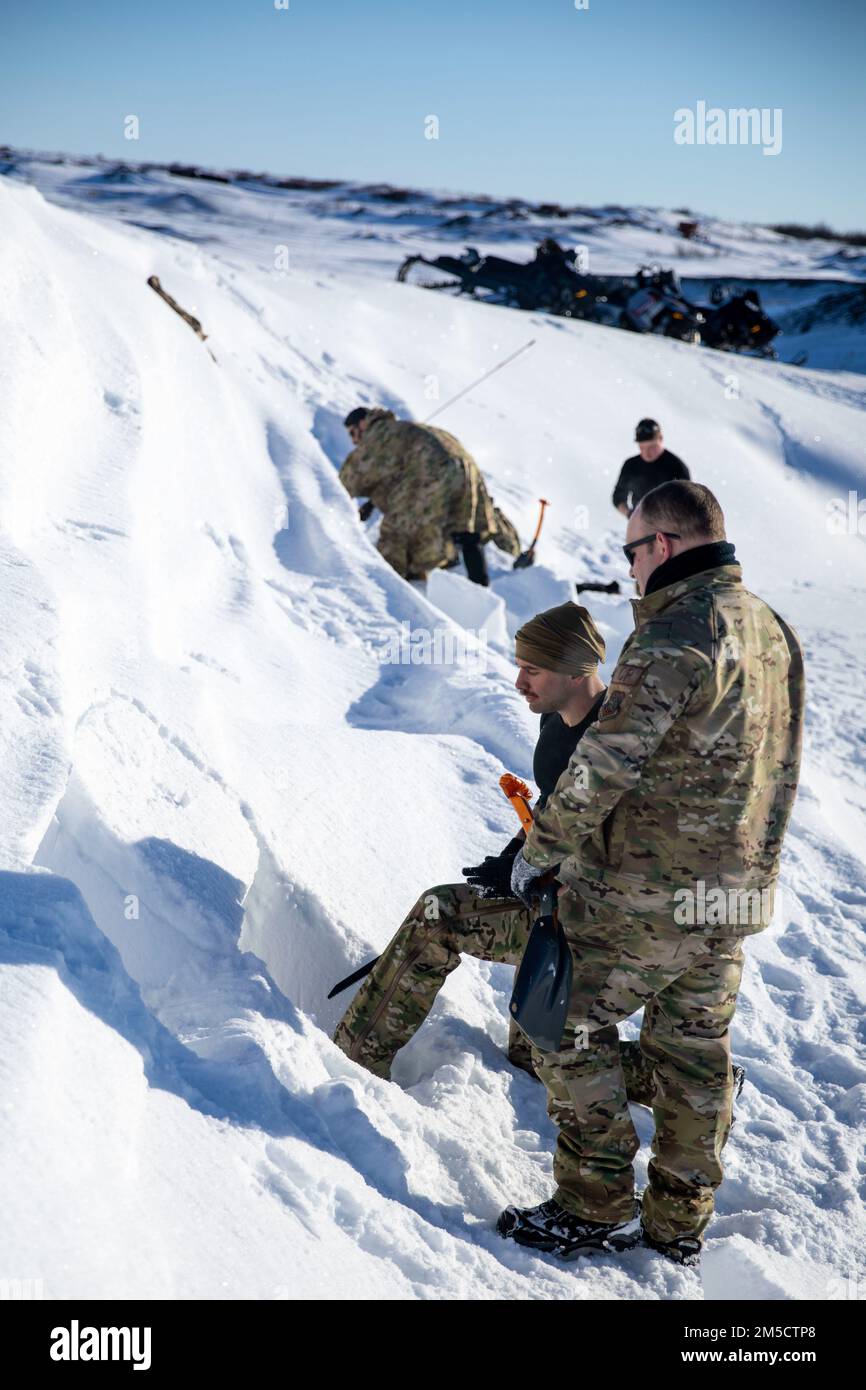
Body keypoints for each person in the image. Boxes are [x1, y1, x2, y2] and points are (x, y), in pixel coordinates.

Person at [501, 481, 804, 1266]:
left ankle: (594, 1202)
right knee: (694, 1057)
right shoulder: (773, 631)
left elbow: (606, 764)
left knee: (558, 1021)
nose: (630, 568)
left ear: (662, 547)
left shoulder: (675, 630)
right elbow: (782, 768)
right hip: (730, 898)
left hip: (645, 894)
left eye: (633, 551)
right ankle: (677, 1225)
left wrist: (540, 854)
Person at [333, 602, 663, 1101]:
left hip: (601, 921)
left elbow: (621, 838)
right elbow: (558, 806)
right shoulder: (555, 721)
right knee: (532, 1052)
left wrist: (545, 868)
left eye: (533, 669)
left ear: (576, 671)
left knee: (439, 915)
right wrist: (516, 855)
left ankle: (347, 1061)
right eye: (519, 667)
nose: (519, 682)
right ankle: (682, 1083)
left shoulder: (613, 739)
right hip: (557, 901)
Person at [339, 407, 521, 586]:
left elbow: (350, 478)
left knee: (398, 535)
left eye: (353, 433)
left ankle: (389, 589)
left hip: (432, 472)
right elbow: (391, 475)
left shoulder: (378, 434)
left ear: (363, 423)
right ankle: (480, 591)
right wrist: (370, 505)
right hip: (465, 470)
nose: (354, 441)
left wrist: (333, 500)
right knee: (467, 530)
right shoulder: (405, 428)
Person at [612, 419, 690, 518]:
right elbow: (618, 497)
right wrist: (630, 514)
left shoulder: (677, 467)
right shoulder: (631, 465)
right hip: (640, 524)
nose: (647, 453)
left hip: (670, 526)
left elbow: (688, 503)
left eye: (652, 447)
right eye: (642, 448)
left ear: (661, 439)